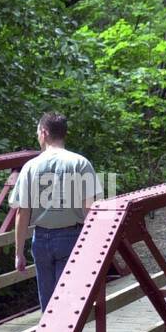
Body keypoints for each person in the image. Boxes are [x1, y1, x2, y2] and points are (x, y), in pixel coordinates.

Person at [10, 111, 100, 311]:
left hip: (41, 239)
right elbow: (90, 209)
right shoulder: (80, 163)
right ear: (64, 133)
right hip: (71, 237)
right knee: (67, 302)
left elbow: (21, 212)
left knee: (48, 304)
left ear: (44, 132)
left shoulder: (30, 167)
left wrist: (19, 253)